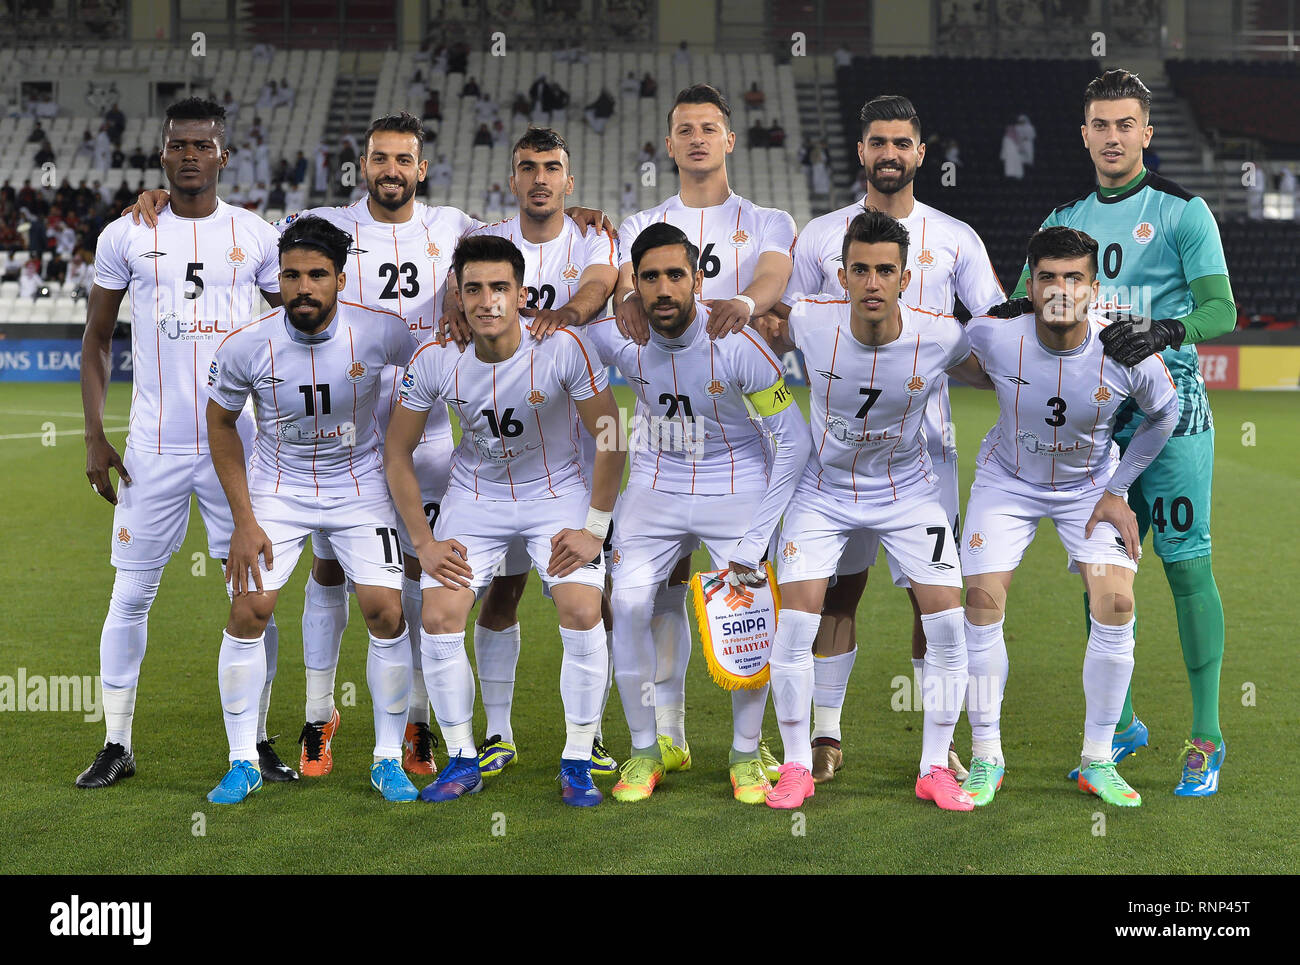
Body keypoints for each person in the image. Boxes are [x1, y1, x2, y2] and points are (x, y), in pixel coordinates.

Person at [999, 69, 1237, 796]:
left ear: (1146, 133)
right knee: (1100, 570)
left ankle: (1207, 735)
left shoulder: (1182, 211)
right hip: (1095, 424)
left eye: (1124, 124)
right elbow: (1015, 306)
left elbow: (1221, 310)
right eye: (1100, 125)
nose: (1112, 137)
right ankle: (1122, 723)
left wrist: (1168, 328)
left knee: (1186, 565)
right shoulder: (1063, 220)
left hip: (1174, 415)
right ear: (1084, 134)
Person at [771, 94, 1005, 784]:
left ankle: (939, 750)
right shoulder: (819, 237)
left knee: (930, 599)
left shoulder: (956, 238)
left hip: (924, 455)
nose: (890, 154)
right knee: (837, 593)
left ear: (920, 153)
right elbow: (793, 325)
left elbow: (992, 330)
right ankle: (824, 732)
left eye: (903, 142)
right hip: (836, 457)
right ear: (863, 148)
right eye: (878, 142)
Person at [76, 97, 286, 791]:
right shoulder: (125, 235)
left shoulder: (256, 236)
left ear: (223, 155)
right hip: (153, 449)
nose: (189, 154)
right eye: (178, 145)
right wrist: (95, 435)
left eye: (203, 145)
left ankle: (257, 740)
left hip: (239, 445)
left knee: (256, 593)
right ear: (162, 154)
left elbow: (296, 332)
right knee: (130, 594)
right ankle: (116, 742)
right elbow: (98, 339)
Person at [385, 234, 626, 807]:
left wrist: (594, 529)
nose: (487, 301)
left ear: (521, 293)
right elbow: (396, 453)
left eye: (500, 288)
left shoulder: (563, 348)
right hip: (476, 496)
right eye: (474, 289)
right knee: (440, 616)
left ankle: (577, 758)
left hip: (556, 492)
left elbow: (612, 435)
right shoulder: (437, 359)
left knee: (581, 606)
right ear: (458, 296)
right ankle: (463, 758)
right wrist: (423, 541)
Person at [585, 223, 810, 804]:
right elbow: (555, 329)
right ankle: (644, 749)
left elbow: (794, 441)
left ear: (698, 278)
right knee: (629, 602)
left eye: (675, 276)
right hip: (656, 485)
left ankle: (743, 753)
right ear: (634, 284)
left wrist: (756, 539)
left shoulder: (736, 342)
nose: (664, 289)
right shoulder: (623, 337)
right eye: (650, 278)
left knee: (747, 610)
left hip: (735, 485)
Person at [613, 83, 796, 780]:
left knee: (743, 601)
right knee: (646, 595)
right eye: (683, 128)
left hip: (732, 440)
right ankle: (662, 735)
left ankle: (749, 751)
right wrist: (626, 297)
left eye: (709, 127)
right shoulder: (643, 219)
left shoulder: (765, 217)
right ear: (668, 144)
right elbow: (615, 293)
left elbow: (775, 272)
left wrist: (749, 304)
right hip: (661, 462)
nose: (696, 138)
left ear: (729, 139)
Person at [205, 215, 421, 804]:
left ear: (340, 280)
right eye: (292, 275)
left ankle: (385, 757)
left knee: (385, 612)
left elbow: (435, 366)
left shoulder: (383, 333)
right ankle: (242, 758)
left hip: (360, 486)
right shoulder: (247, 344)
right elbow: (220, 424)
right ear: (279, 278)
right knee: (250, 610)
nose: (304, 287)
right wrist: (244, 522)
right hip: (277, 489)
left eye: (317, 275)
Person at [961, 226, 1179, 808]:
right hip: (1007, 481)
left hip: (1089, 487)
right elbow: (940, 357)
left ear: (1094, 287)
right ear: (1030, 285)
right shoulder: (993, 333)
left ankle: (1098, 758)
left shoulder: (1127, 347)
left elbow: (1165, 415)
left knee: (1118, 604)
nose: (1061, 289)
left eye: (1074, 278)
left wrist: (1119, 490)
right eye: (1048, 277)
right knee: (981, 606)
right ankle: (986, 757)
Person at [449, 128, 620, 780]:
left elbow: (599, 285)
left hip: (582, 454)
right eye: (529, 168)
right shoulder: (487, 241)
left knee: (589, 598)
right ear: (513, 179)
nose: (541, 178)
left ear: (570, 181)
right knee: (501, 590)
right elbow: (454, 288)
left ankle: (591, 734)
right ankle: (497, 732)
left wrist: (565, 316)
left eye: (553, 167)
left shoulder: (592, 236)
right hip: (506, 454)